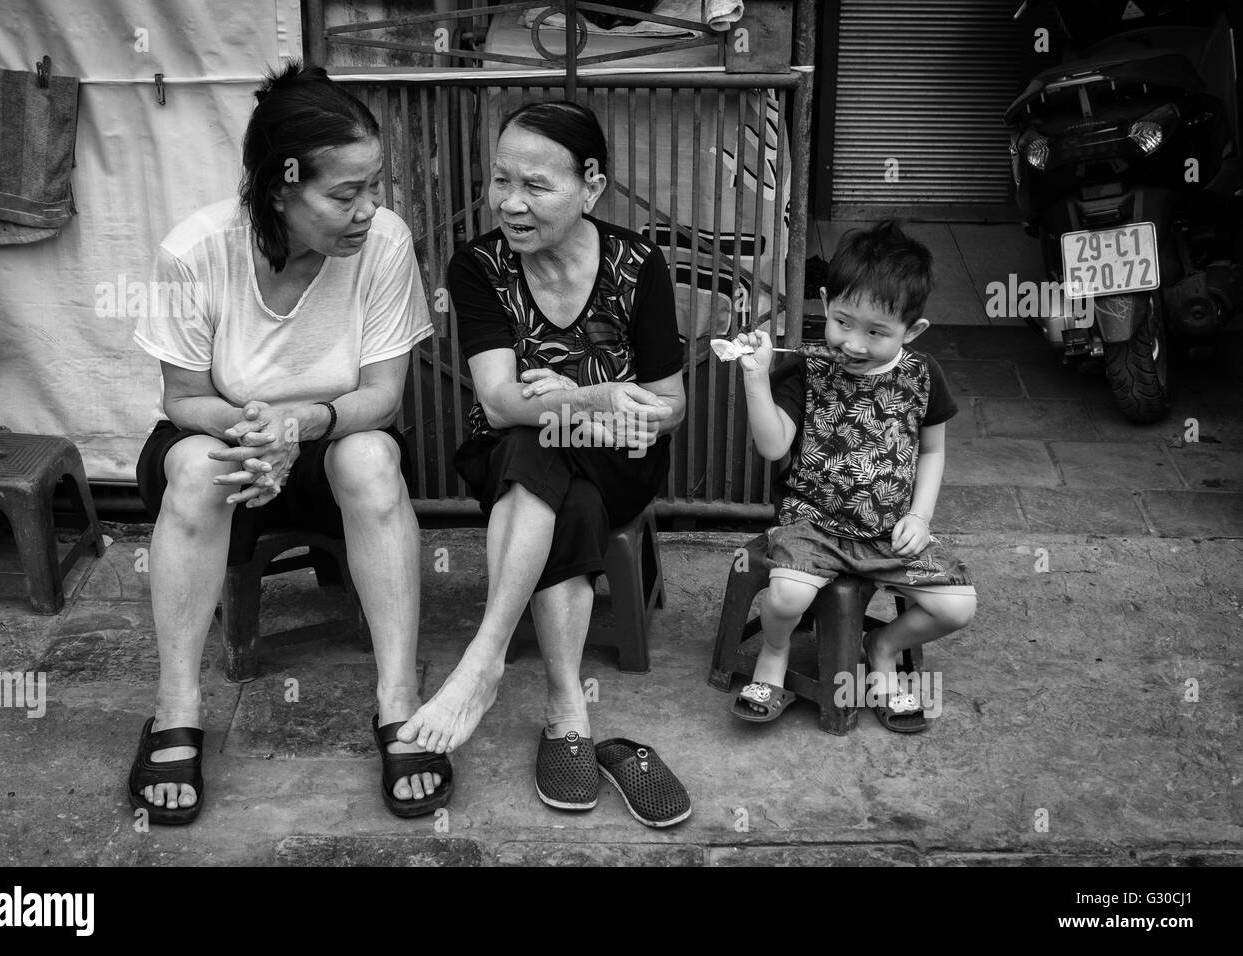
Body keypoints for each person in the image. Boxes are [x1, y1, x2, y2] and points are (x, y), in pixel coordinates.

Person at [129, 62, 446, 822]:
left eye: (376, 186)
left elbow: (382, 396)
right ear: (279, 186)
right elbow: (181, 398)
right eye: (345, 194)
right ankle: (177, 710)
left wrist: (298, 425)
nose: (369, 209)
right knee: (202, 471)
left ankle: (398, 702)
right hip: (222, 441)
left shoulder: (386, 244)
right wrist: (255, 437)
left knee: (371, 457)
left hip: (336, 442)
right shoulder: (193, 252)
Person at [394, 101, 690, 821]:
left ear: (591, 186)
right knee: (543, 456)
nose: (510, 203)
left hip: (621, 459)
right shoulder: (480, 266)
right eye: (500, 182)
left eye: (534, 185)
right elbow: (498, 404)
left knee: (550, 444)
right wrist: (595, 398)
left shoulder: (638, 263)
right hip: (507, 454)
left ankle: (484, 662)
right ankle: (565, 710)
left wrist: (574, 400)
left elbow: (668, 405)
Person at [733, 220, 977, 732]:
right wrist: (756, 379)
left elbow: (932, 451)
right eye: (843, 322)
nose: (854, 344)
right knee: (786, 596)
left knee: (958, 605)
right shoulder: (807, 368)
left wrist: (921, 515)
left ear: (911, 332)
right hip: (813, 525)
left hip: (889, 532)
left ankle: (881, 648)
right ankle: (774, 655)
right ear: (824, 302)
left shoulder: (922, 375)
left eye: (876, 332)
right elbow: (772, 444)